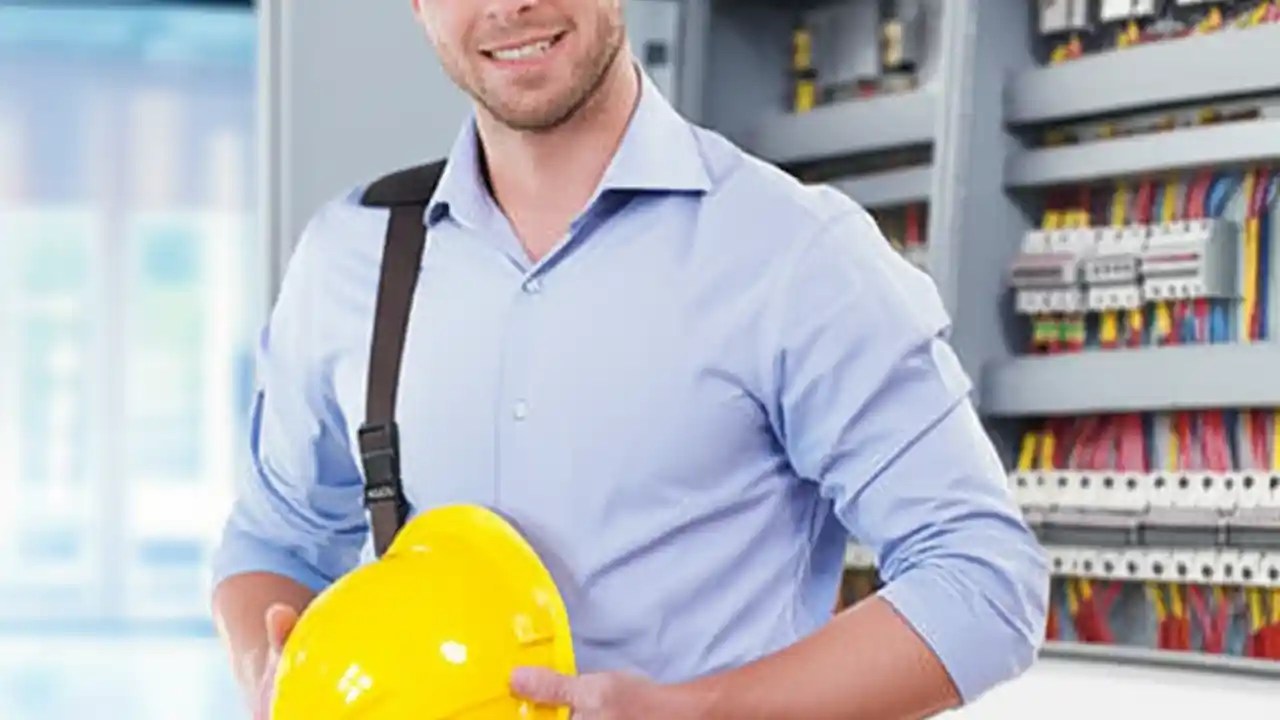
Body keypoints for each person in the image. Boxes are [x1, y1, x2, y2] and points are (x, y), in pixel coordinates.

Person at [211, 1, 1050, 718]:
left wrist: (709, 708)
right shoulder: (351, 257)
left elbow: (983, 580)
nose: (510, 6)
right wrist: (275, 670)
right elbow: (272, 539)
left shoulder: (793, 254)